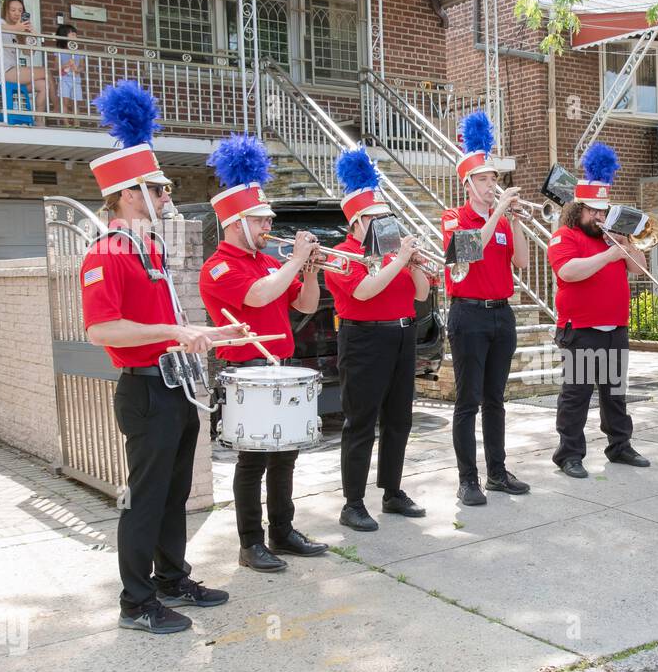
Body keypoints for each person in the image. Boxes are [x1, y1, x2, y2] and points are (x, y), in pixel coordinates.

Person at [81, 81, 245, 634]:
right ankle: (135, 602)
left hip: (173, 384)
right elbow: (103, 327)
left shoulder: (148, 246)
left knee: (177, 493)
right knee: (146, 499)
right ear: (130, 193)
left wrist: (204, 333)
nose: (168, 195)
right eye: (160, 187)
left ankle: (173, 578)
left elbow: (162, 323)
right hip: (145, 389)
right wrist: (175, 330)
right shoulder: (106, 250)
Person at [200, 133, 330, 572]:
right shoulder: (219, 267)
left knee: (285, 455)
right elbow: (257, 298)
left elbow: (306, 306)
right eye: (259, 221)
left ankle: (283, 530)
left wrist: (309, 272)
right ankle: (250, 542)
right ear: (235, 223)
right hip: (248, 371)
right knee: (253, 460)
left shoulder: (270, 261)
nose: (267, 228)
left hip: (283, 367)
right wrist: (295, 260)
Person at [329, 147, 433, 532]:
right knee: (360, 422)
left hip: (403, 336)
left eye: (386, 218)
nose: (384, 225)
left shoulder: (395, 255)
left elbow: (421, 295)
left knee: (399, 419)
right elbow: (365, 292)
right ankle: (352, 502)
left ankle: (392, 491)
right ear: (356, 225)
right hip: (363, 341)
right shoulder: (343, 255)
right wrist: (399, 260)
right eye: (375, 219)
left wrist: (416, 264)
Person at [440, 111, 531, 506]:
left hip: (501, 313)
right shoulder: (452, 217)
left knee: (496, 399)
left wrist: (518, 220)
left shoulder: (504, 221)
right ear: (467, 183)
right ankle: (467, 479)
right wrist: (498, 213)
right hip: (468, 314)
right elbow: (469, 249)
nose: (492, 184)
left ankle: (497, 471)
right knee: (468, 400)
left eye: (494, 178)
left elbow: (524, 263)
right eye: (484, 179)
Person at [547, 142, 651, 477]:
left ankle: (619, 446)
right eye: (593, 211)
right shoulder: (564, 236)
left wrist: (627, 244)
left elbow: (640, 268)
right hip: (581, 329)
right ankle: (569, 454)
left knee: (615, 394)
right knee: (577, 395)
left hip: (615, 328)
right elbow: (568, 272)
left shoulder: (613, 238)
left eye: (603, 212)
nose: (599, 217)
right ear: (578, 210)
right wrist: (608, 255)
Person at [0, 0, 48, 118]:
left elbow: (29, 53)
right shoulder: (1, 23)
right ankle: (57, 107)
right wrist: (15, 28)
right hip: (1, 72)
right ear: (6, 11)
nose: (17, 13)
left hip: (13, 73)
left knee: (42, 84)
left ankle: (39, 120)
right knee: (46, 72)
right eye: (13, 10)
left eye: (20, 10)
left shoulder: (19, 30)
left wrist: (30, 34)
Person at [55, 24, 84, 117]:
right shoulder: (59, 52)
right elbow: (56, 67)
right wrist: (66, 65)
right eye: (72, 34)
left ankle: (77, 123)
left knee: (75, 103)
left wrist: (77, 69)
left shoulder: (79, 53)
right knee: (65, 102)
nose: (75, 36)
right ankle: (66, 123)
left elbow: (82, 67)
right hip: (64, 80)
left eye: (75, 34)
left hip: (76, 80)